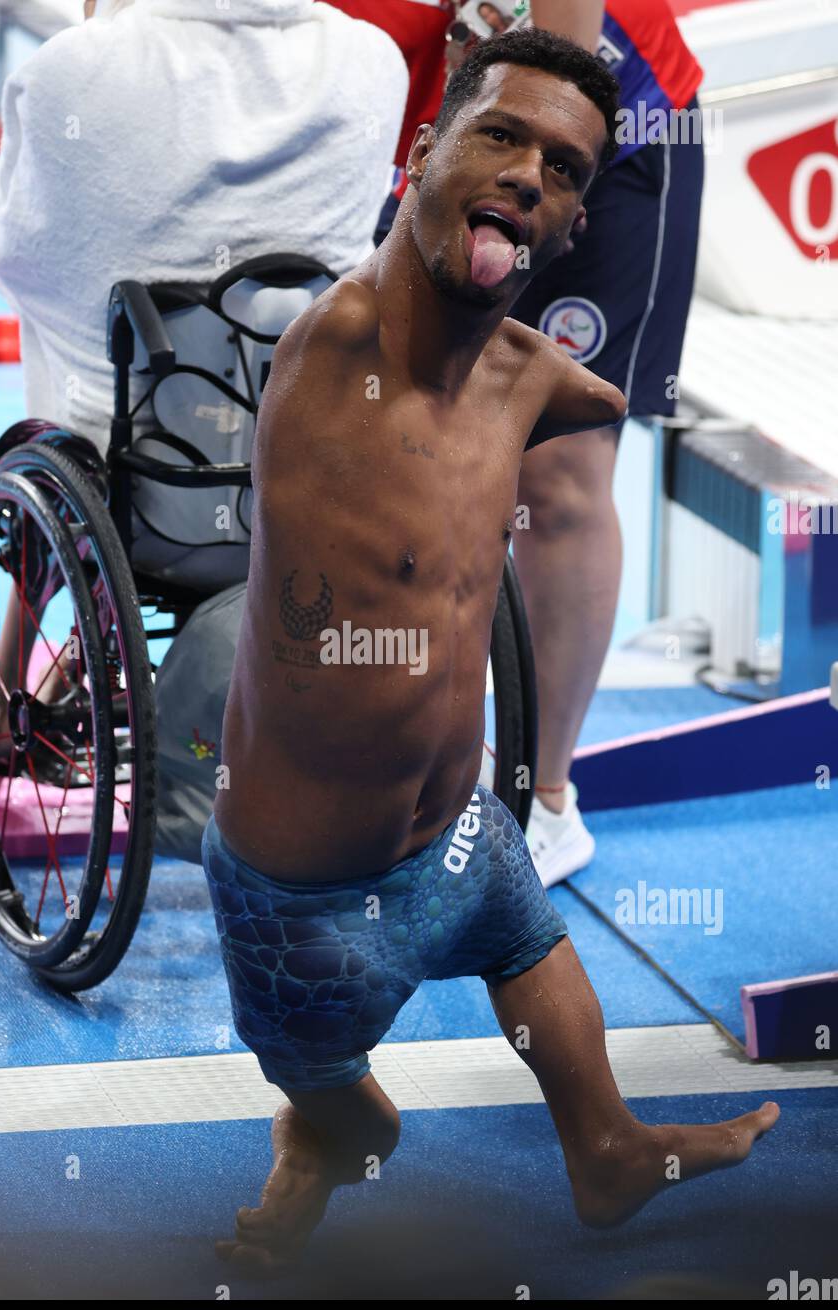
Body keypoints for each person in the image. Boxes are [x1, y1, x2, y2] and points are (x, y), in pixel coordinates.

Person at [203, 28, 778, 1277]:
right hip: (305, 904)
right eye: (498, 137)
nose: (528, 173)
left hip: (457, 841)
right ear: (423, 157)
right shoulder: (342, 346)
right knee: (355, 1126)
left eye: (564, 168)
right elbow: (426, 307)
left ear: (574, 223)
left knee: (532, 944)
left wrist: (595, 376)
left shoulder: (521, 373)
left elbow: (592, 395)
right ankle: (321, 1143)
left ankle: (607, 1149)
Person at [0, 0, 407, 734]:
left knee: (67, 340)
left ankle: (17, 683)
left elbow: (22, 256)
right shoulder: (373, 60)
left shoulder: (73, 69)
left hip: (132, 480)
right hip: (310, 464)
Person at [335, 0, 706, 887]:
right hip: (438, 120)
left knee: (560, 472)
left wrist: (533, 190)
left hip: (596, 118)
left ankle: (543, 799)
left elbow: (558, 73)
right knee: (390, 428)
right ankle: (419, 765)